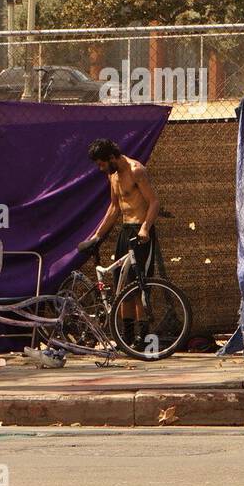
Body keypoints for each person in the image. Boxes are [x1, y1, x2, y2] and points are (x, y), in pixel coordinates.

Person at [78, 139, 161, 342]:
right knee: (123, 286)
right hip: (125, 231)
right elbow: (114, 207)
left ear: (112, 157)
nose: (100, 168)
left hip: (141, 232)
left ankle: (143, 338)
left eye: (102, 163)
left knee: (139, 285)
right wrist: (97, 236)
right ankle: (128, 337)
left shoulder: (136, 170)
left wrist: (145, 228)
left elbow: (154, 201)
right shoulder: (112, 176)